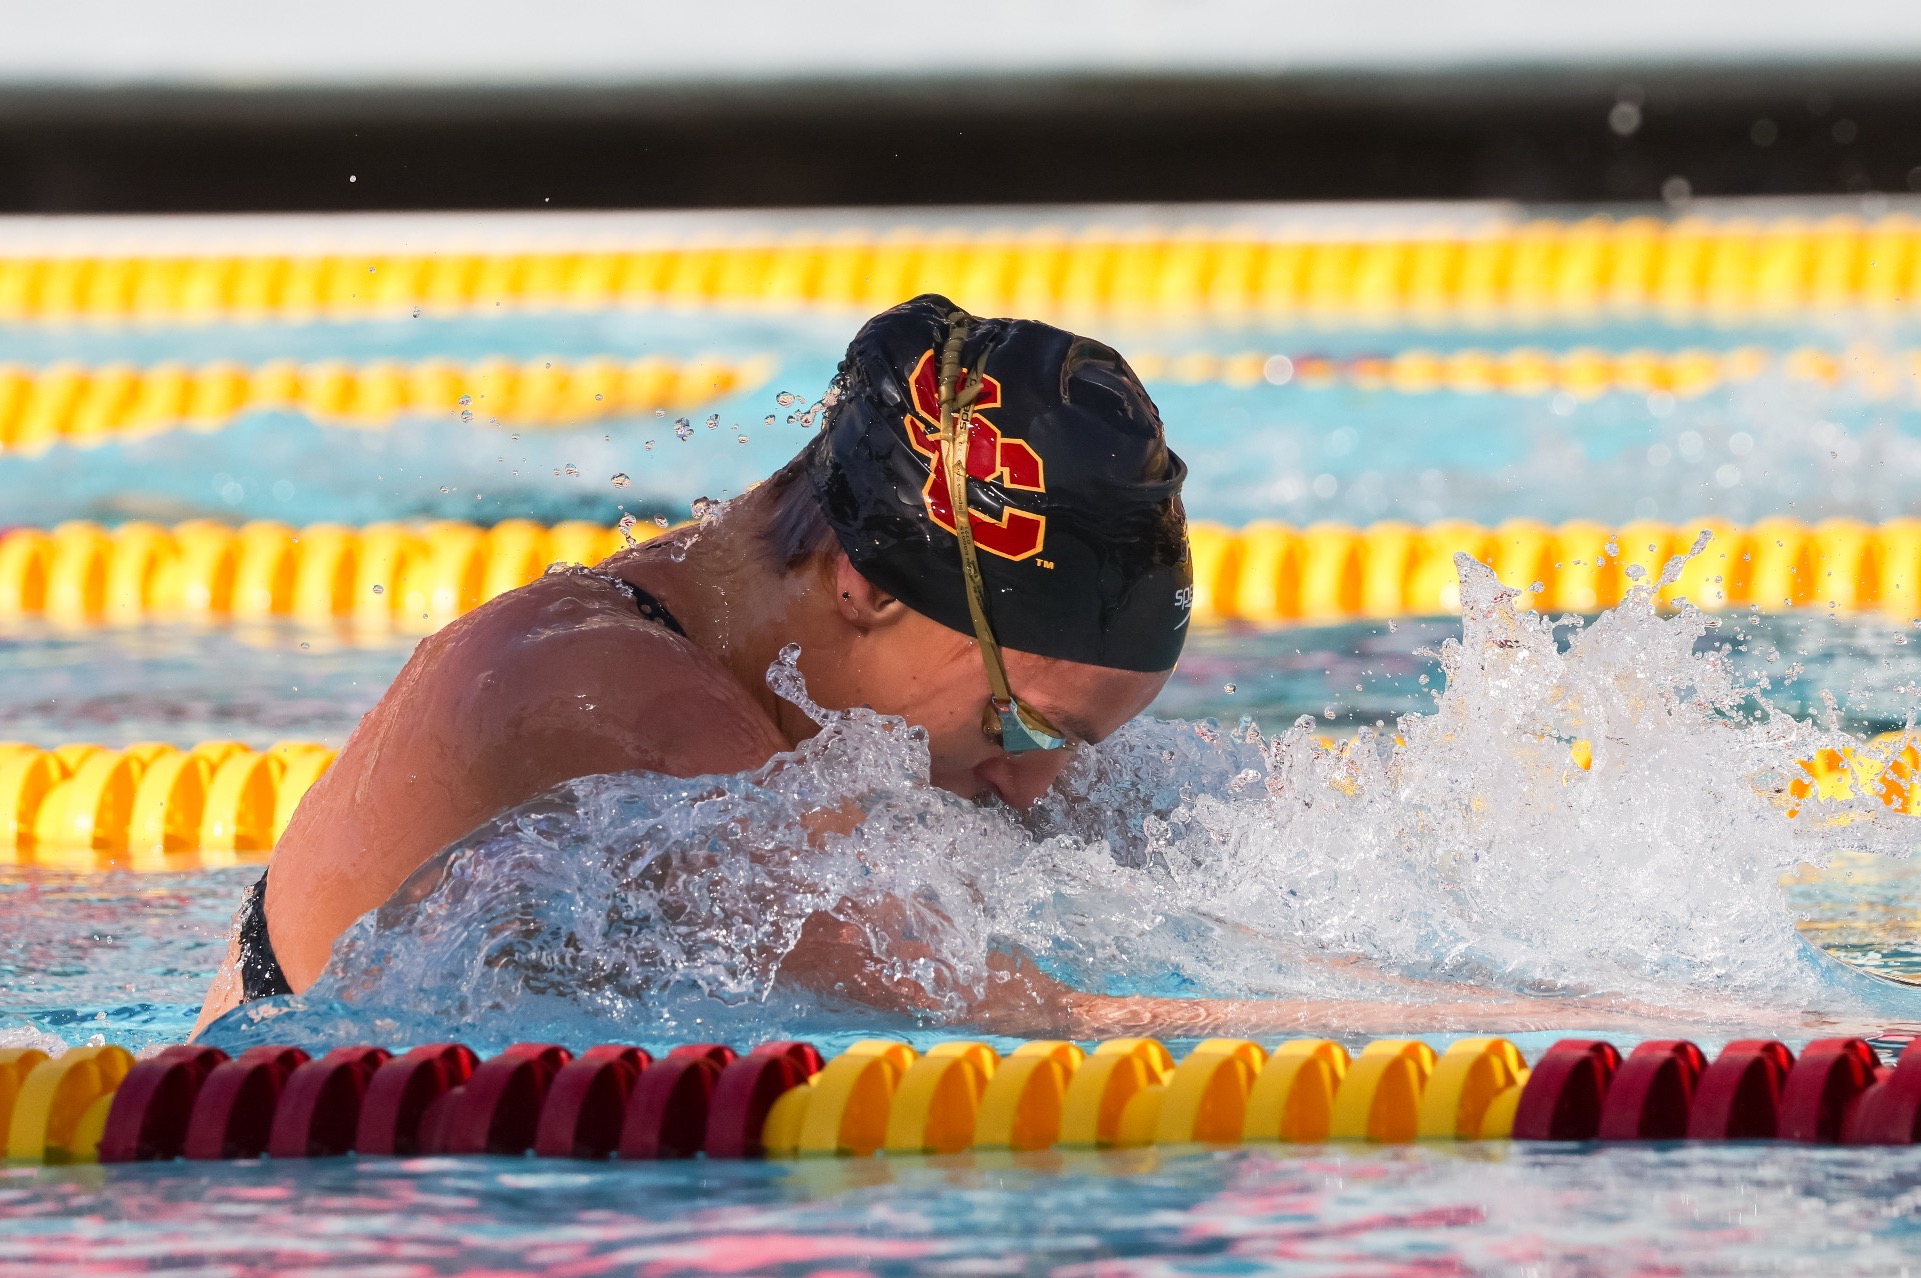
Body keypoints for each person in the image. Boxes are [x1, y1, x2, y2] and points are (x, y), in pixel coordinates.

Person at [194, 295, 1643, 1038]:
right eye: (1020, 721)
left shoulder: (776, 666)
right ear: (861, 585)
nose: (1026, 786)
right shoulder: (623, 713)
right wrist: (1575, 1034)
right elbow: (1037, 1017)